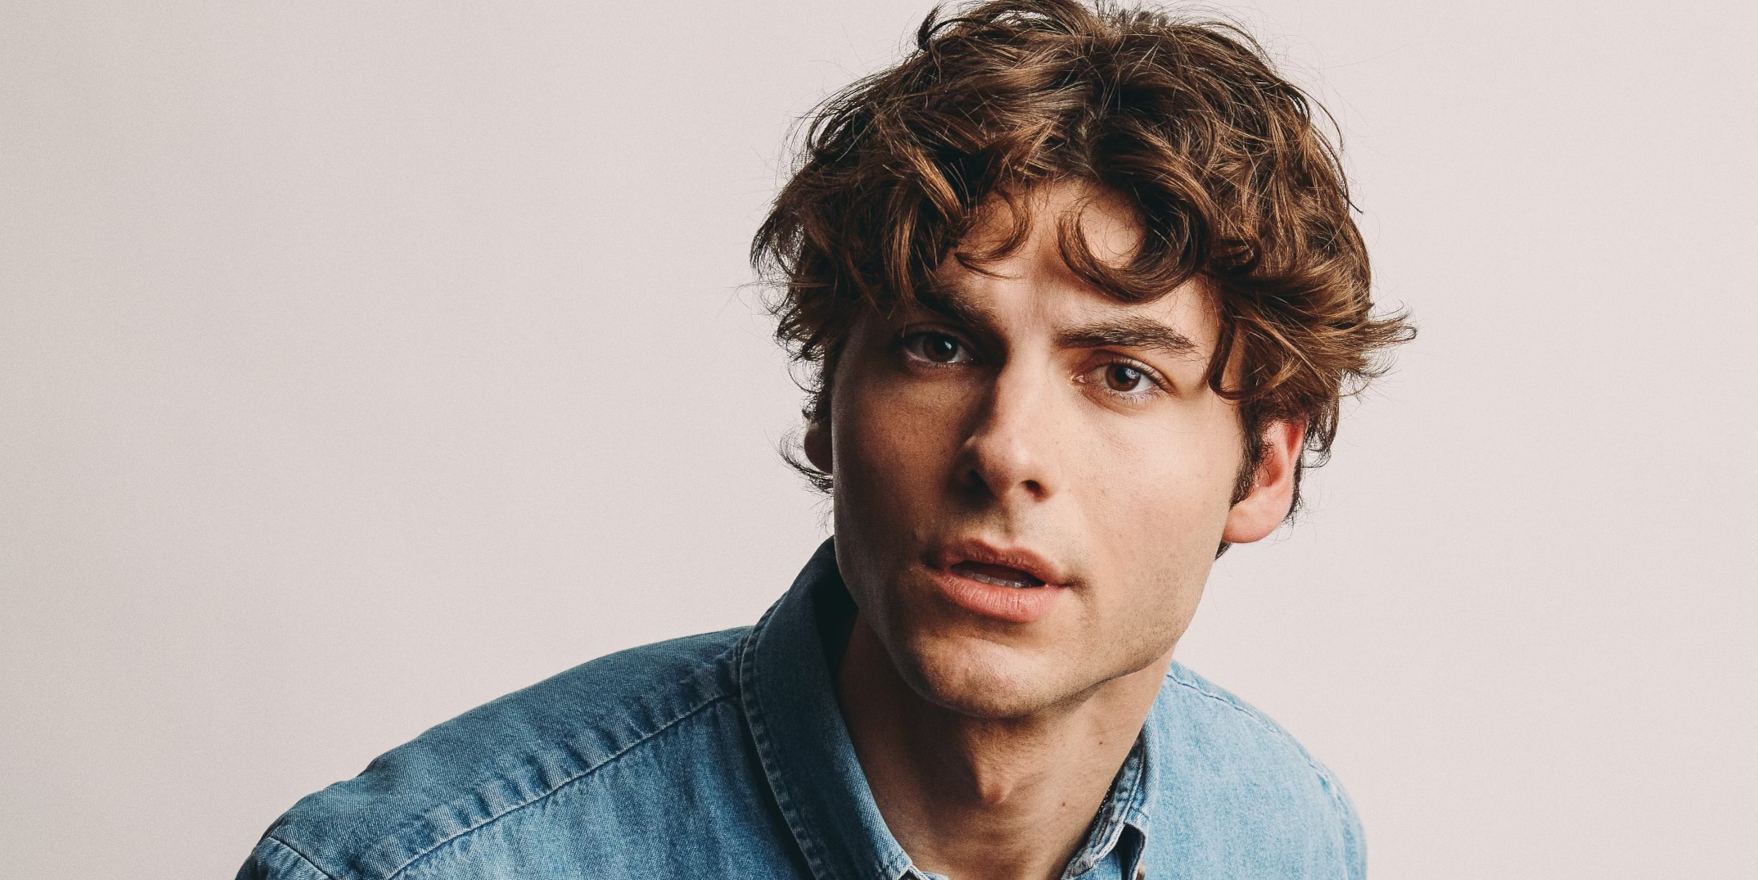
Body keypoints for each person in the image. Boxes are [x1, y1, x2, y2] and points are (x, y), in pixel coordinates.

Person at [237, 1, 1412, 878]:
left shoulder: (1283, 833)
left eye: (1120, 374)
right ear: (825, 400)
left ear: (1261, 469)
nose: (1005, 450)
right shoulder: (413, 869)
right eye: (936, 347)